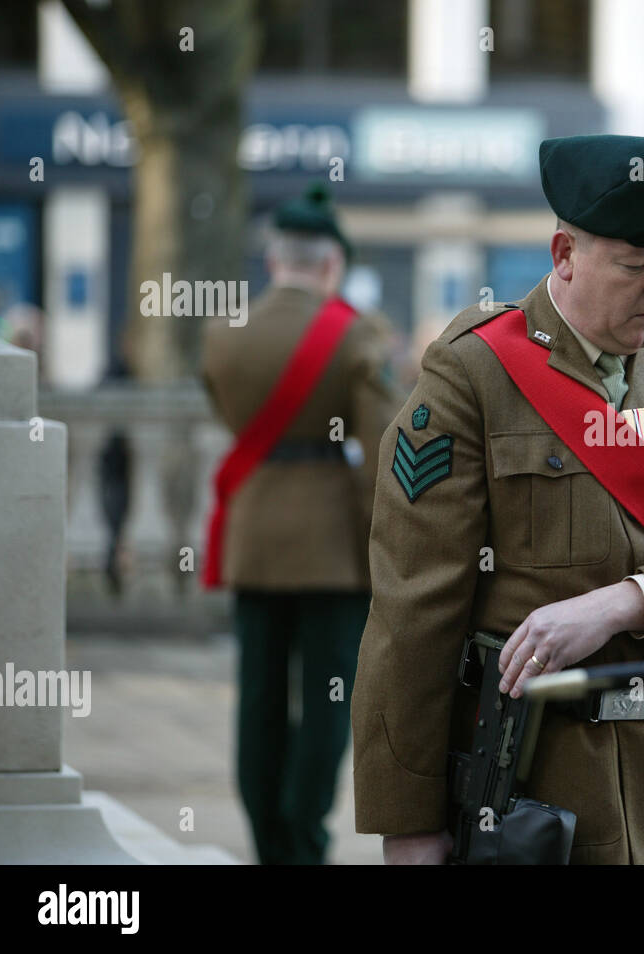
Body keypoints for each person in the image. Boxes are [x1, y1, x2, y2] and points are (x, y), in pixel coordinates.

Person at [351, 92, 644, 865]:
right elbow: (414, 616)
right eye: (636, 265)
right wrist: (410, 825)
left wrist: (626, 603)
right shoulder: (474, 377)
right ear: (565, 254)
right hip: (531, 796)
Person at [201, 182, 400, 864]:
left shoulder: (223, 332)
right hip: (333, 549)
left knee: (257, 696)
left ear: (273, 260)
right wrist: (388, 549)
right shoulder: (358, 335)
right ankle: (304, 835)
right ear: (330, 265)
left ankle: (266, 837)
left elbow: (231, 423)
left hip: (253, 535)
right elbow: (381, 454)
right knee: (326, 698)